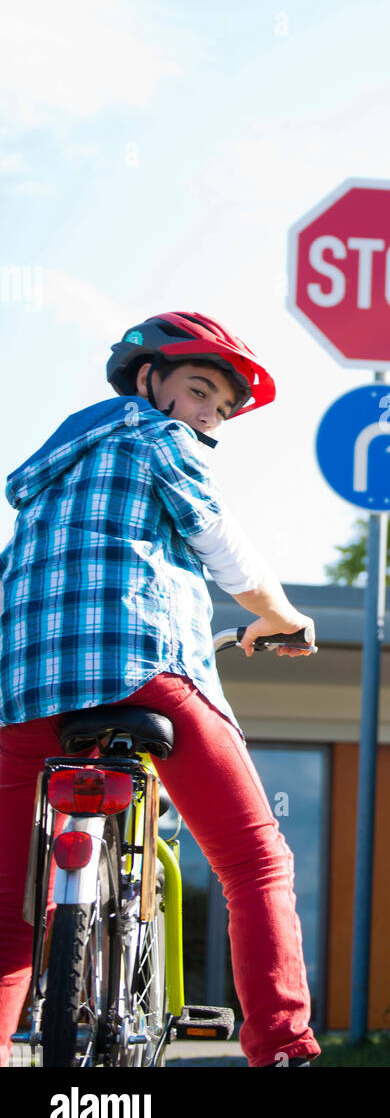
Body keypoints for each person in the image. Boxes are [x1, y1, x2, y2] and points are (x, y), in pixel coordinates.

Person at [0, 311, 320, 1068]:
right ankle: (283, 1049)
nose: (209, 414)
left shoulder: (47, 479)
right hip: (141, 666)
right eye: (200, 390)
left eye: (222, 408)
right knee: (254, 861)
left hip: (22, 692)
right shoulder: (154, 436)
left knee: (10, 915)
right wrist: (280, 615)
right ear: (148, 381)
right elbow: (221, 545)